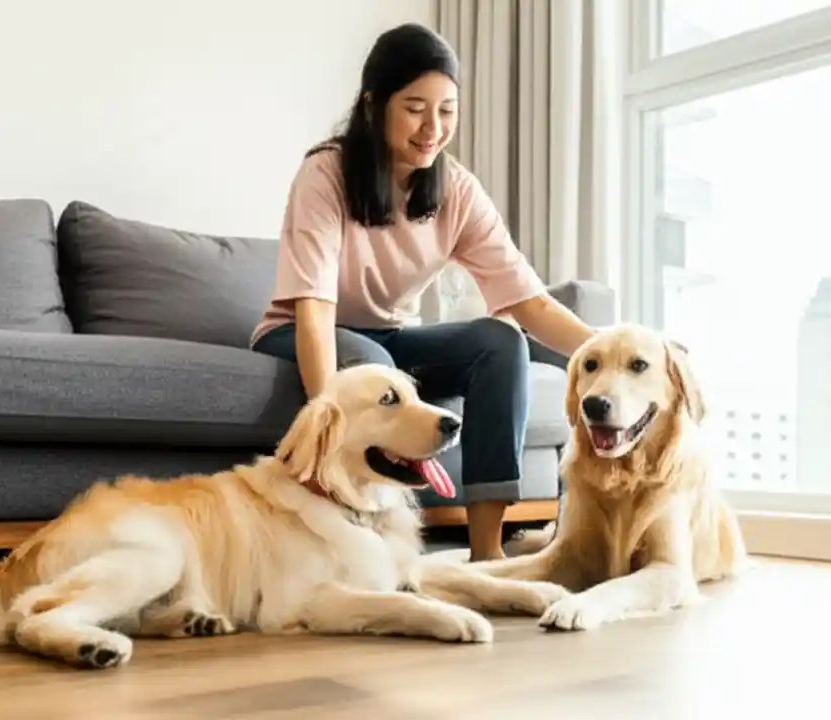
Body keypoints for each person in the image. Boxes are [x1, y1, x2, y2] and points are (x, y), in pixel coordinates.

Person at [250, 23, 597, 561]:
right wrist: (328, 414)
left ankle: (486, 552)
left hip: (389, 339)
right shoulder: (326, 173)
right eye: (415, 107)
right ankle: (363, 546)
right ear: (374, 104)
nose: (432, 128)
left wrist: (612, 350)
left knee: (501, 341)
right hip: (299, 332)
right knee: (372, 360)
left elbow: (529, 302)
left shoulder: (455, 188)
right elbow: (315, 311)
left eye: (447, 110)